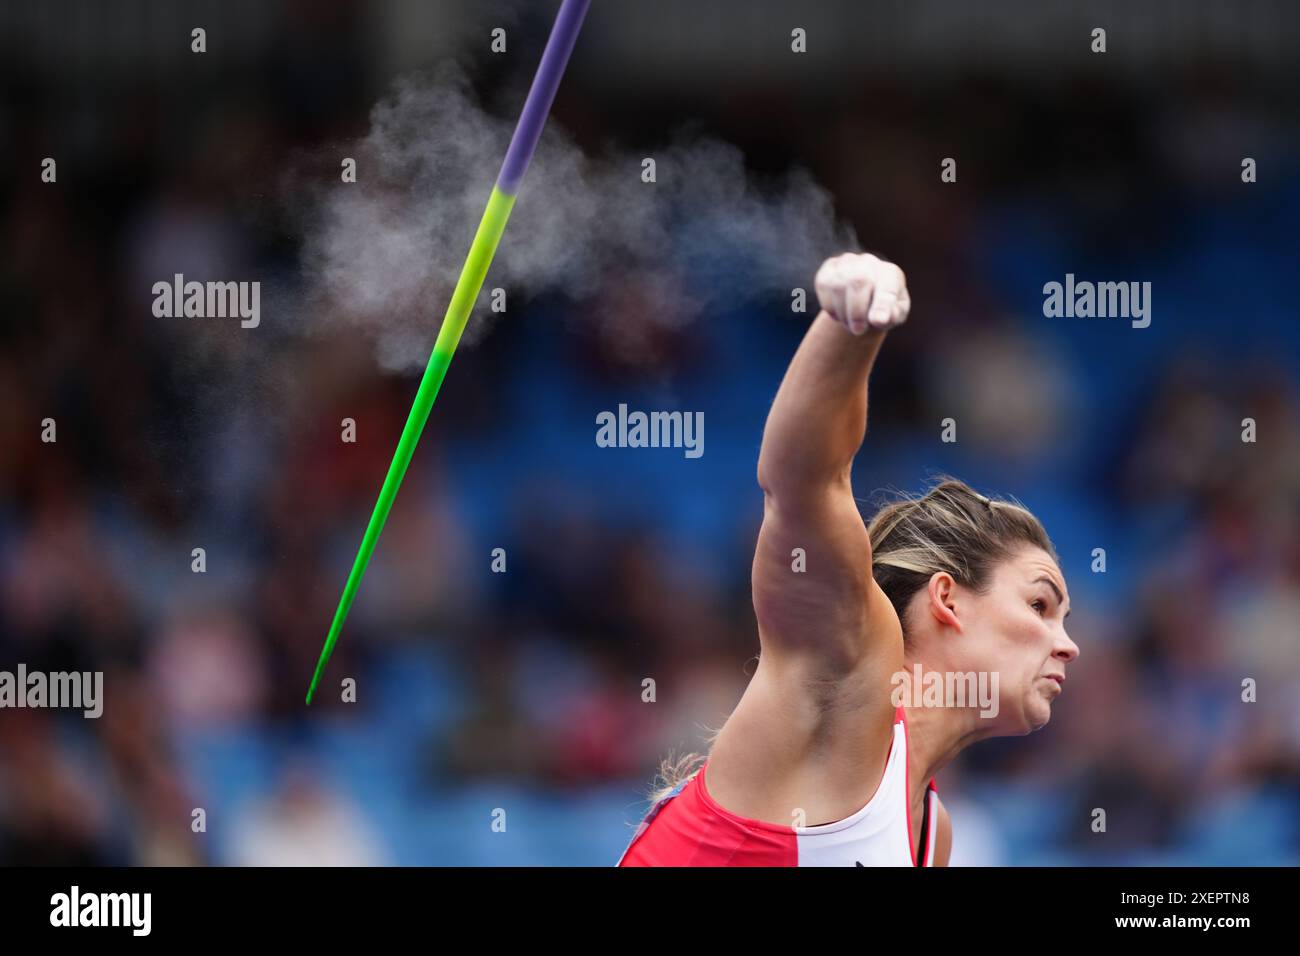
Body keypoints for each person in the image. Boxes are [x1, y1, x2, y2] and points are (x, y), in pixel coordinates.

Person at [618, 253, 1080, 866]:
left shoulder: (931, 835)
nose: (1068, 644)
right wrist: (849, 325)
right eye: (1040, 604)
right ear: (947, 599)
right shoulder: (848, 668)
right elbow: (804, 482)